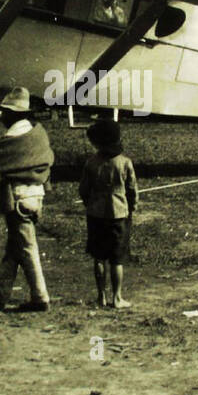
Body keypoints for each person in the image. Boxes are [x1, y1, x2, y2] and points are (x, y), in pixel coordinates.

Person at [0, 87, 54, 313]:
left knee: (27, 247)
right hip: (36, 196)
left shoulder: (12, 138)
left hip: (18, 198)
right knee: (15, 247)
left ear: (14, 114)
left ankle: (40, 296)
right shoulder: (38, 133)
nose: (3, 117)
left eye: (6, 113)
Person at [79, 118, 138, 308]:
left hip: (95, 214)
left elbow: (84, 190)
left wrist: (90, 204)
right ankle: (117, 297)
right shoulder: (125, 162)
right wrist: (131, 207)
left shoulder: (91, 163)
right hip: (118, 214)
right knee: (117, 258)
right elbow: (132, 190)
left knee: (99, 257)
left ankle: (100, 296)